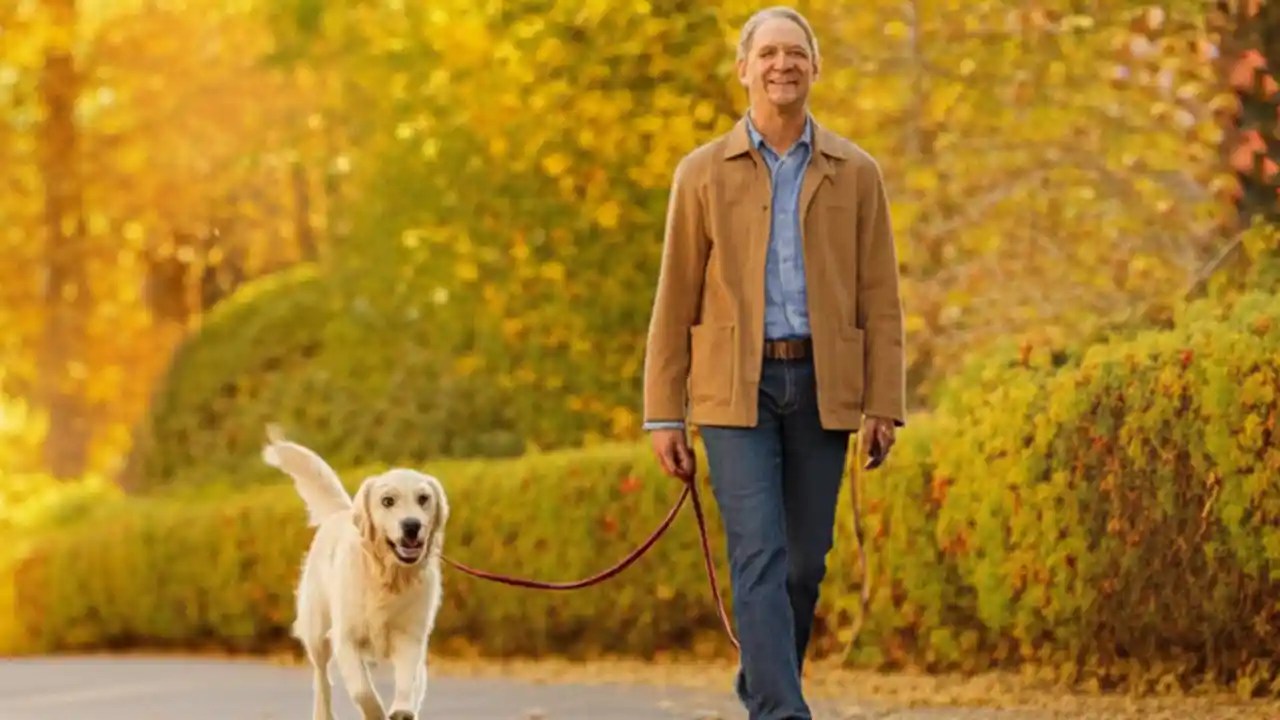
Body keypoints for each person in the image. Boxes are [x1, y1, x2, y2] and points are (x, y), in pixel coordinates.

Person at [641, 6, 907, 719]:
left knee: (803, 564)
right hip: (734, 392)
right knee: (758, 553)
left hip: (824, 382)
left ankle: (763, 676)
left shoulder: (857, 173)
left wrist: (885, 400)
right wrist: (664, 412)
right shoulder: (700, 173)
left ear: (815, 68)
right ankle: (781, 711)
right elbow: (675, 297)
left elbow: (881, 296)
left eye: (796, 53)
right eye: (768, 54)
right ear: (743, 69)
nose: (782, 65)